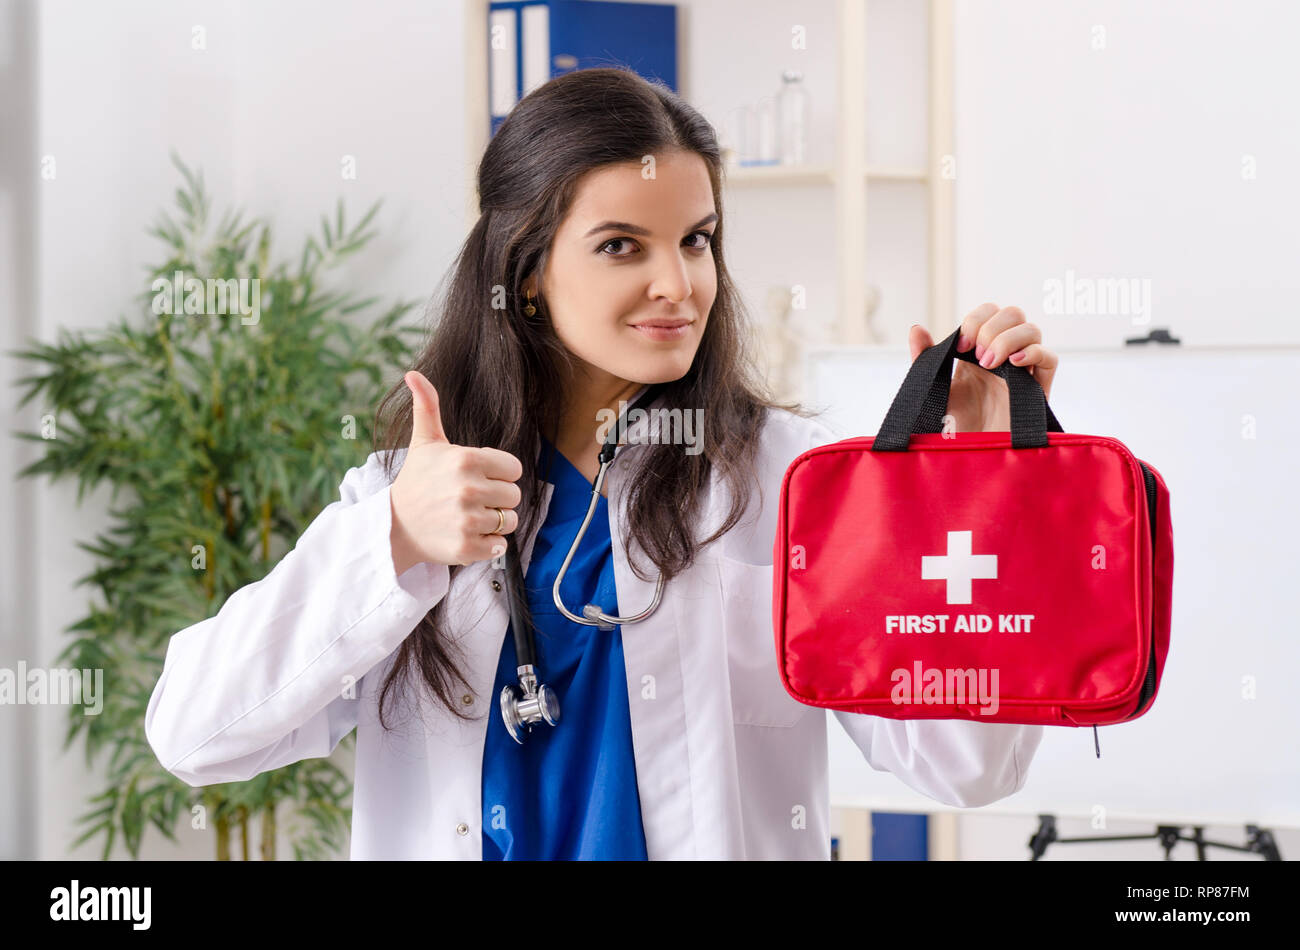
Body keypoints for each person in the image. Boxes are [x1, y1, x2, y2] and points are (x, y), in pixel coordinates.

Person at [145, 67, 1060, 860]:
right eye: (623, 245)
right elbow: (194, 736)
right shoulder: (416, 492)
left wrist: (972, 487)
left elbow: (970, 768)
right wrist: (393, 540)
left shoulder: (791, 486)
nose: (680, 284)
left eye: (697, 240)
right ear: (528, 267)